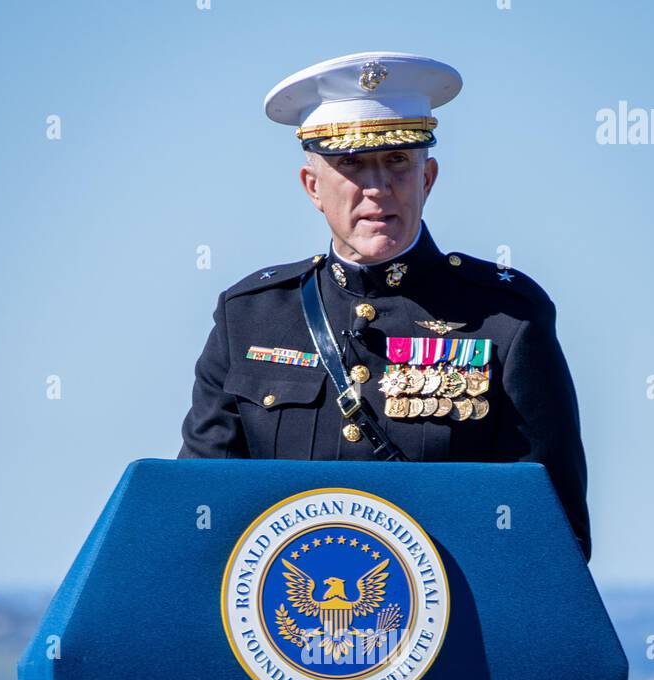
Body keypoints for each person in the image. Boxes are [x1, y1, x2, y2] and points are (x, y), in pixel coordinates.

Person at [176, 50, 592, 561]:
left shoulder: (506, 318)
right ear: (312, 187)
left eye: (397, 161)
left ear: (428, 178)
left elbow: (553, 535)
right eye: (351, 165)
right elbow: (197, 517)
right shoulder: (250, 317)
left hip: (450, 634)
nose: (377, 189)